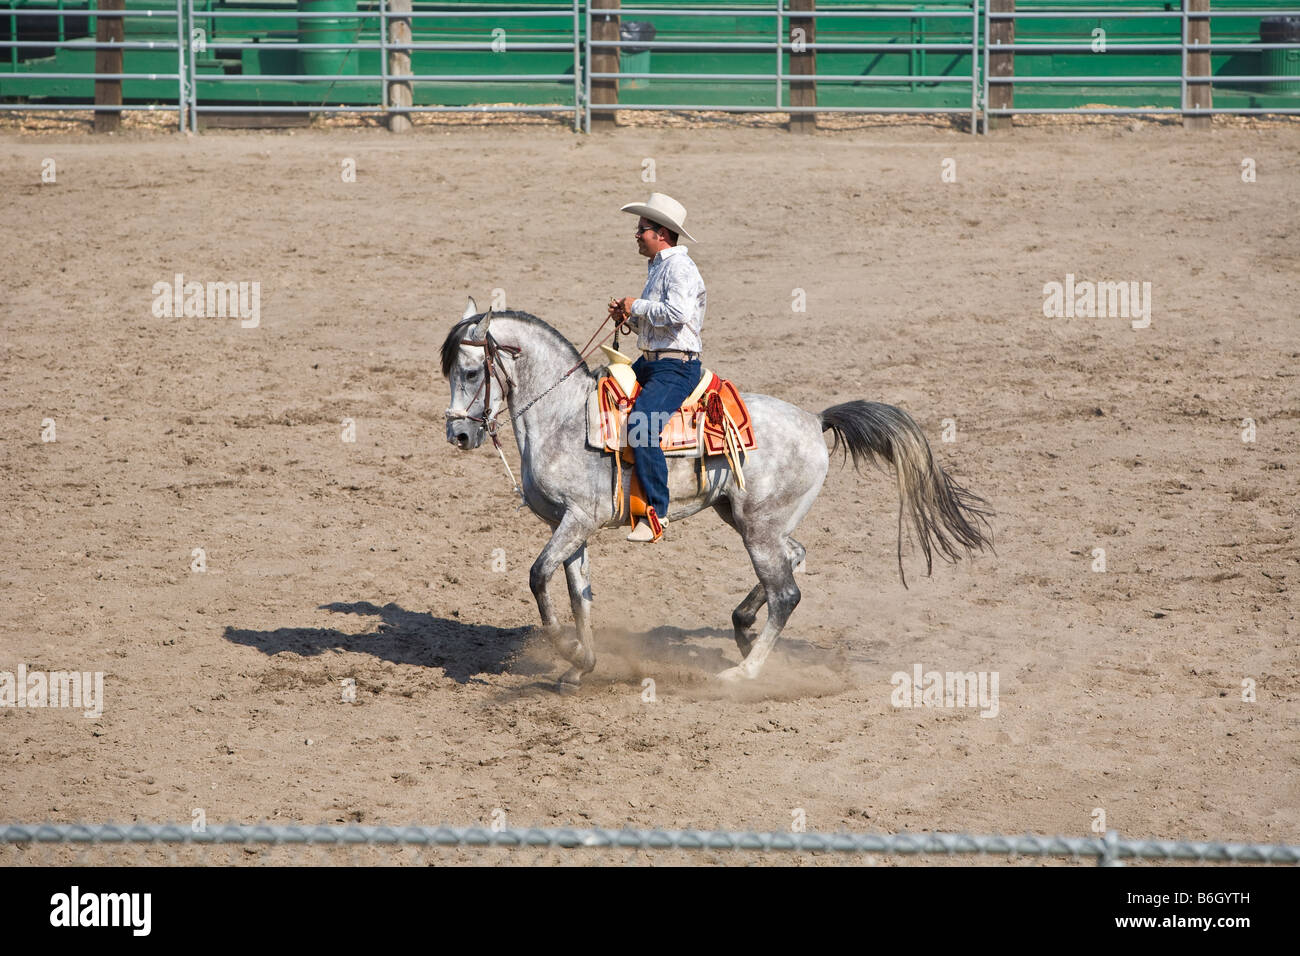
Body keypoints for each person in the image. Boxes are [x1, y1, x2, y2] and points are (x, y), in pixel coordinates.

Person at [608, 193, 706, 543]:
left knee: (642, 424)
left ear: (661, 233)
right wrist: (630, 317)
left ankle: (656, 510)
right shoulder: (658, 268)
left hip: (676, 368)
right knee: (602, 392)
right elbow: (659, 327)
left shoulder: (680, 268)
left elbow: (678, 314)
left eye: (642, 229)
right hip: (653, 361)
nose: (636, 235)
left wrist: (638, 305)